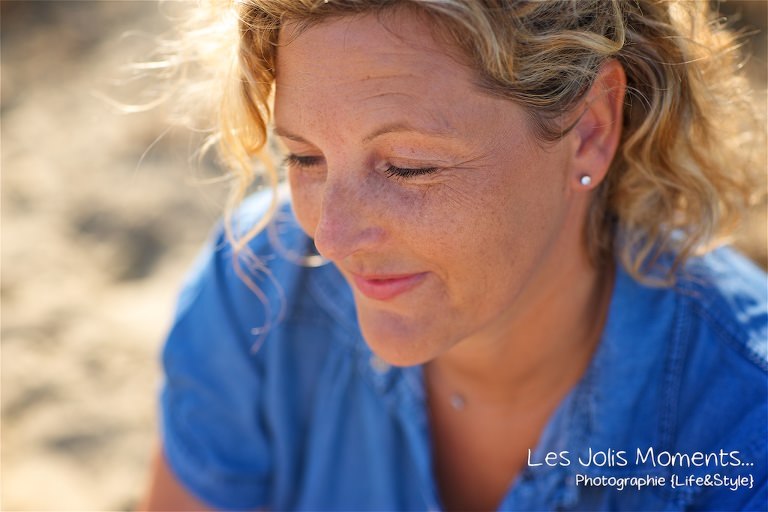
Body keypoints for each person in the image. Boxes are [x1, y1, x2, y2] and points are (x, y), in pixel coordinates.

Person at [138, 1, 767, 510]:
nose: (330, 238)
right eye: (306, 158)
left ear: (590, 131)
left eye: (410, 167)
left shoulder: (744, 437)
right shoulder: (259, 286)